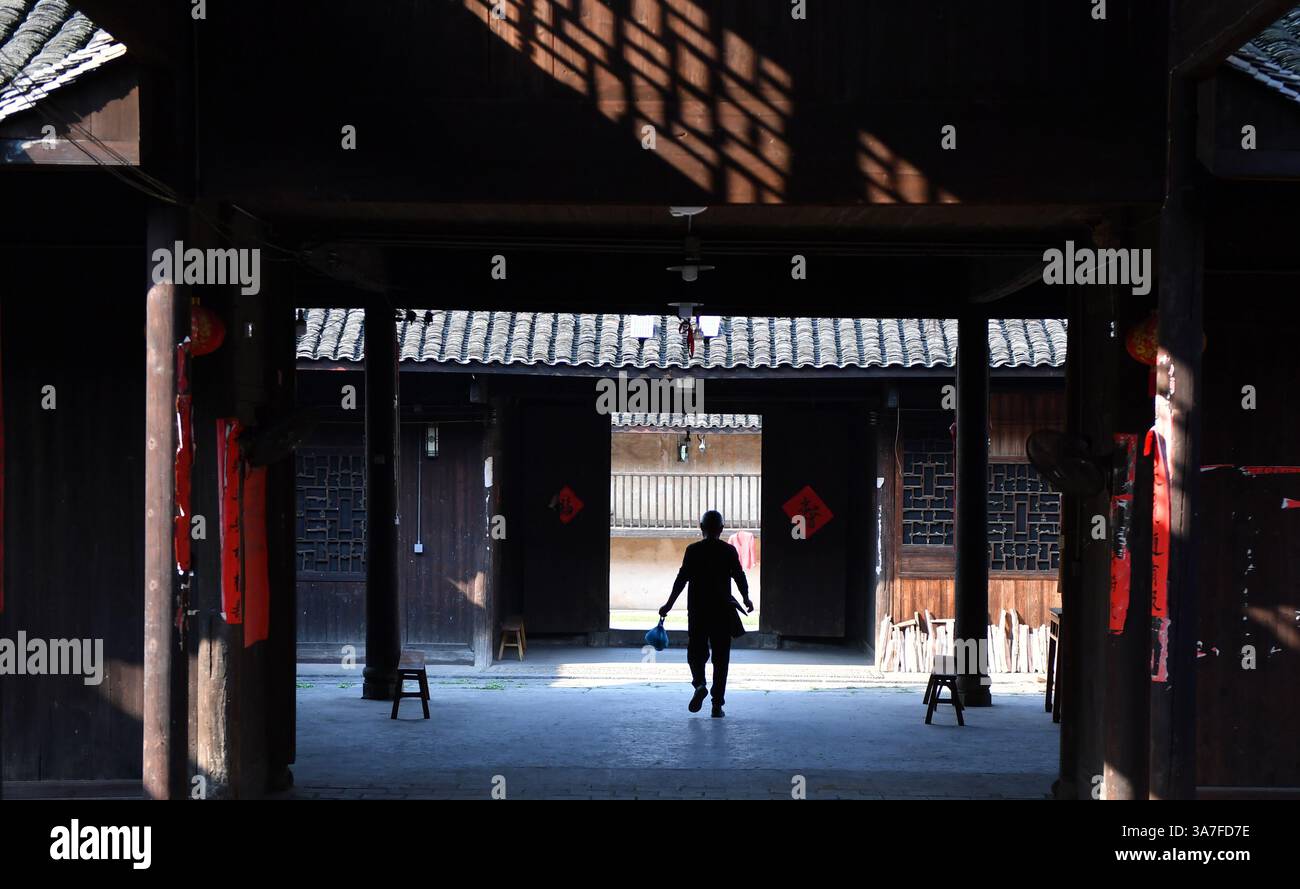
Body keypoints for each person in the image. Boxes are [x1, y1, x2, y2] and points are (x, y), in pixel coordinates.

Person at [659, 510, 753, 717]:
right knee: (721, 659)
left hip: (698, 611)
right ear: (721, 529)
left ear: (700, 528)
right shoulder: (728, 551)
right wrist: (746, 598)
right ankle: (717, 705)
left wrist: (668, 604)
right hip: (721, 612)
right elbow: (739, 576)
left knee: (696, 652)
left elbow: (681, 579)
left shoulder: (693, 550)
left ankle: (700, 684)